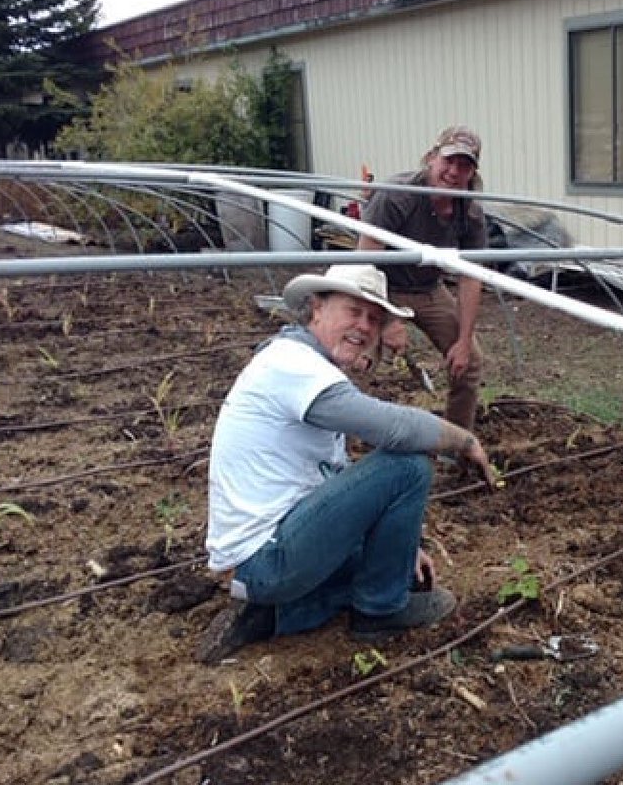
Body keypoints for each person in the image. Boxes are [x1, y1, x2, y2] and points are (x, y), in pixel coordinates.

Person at [197, 263, 497, 664]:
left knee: (391, 564)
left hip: (270, 550)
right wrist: (464, 439)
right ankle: (379, 612)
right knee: (408, 466)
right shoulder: (292, 364)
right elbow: (394, 429)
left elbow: (333, 479)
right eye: (352, 312)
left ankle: (276, 615)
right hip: (266, 555)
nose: (364, 326)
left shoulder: (304, 364)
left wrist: (404, 548)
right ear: (316, 308)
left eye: (373, 318)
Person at [356, 125, 487, 431]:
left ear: (472, 173)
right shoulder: (398, 196)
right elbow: (365, 259)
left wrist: (464, 341)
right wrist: (387, 319)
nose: (454, 171)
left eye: (464, 165)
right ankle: (341, 443)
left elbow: (471, 278)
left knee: (469, 364)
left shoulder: (470, 213)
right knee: (357, 359)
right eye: (449, 161)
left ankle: (457, 442)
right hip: (381, 284)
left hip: (429, 289)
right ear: (431, 158)